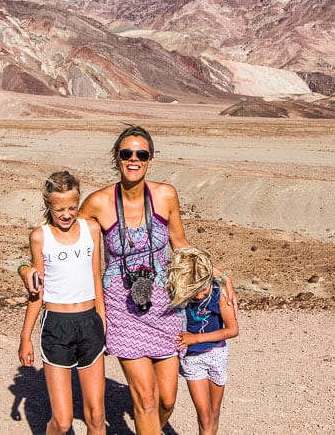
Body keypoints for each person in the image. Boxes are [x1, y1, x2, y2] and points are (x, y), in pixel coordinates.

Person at [19, 125, 236, 434]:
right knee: (146, 399)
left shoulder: (165, 196)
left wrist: (219, 275)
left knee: (166, 400)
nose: (134, 159)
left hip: (165, 308)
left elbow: (181, 244)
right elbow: (62, 232)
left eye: (141, 154)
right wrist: (24, 268)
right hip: (122, 309)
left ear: (150, 159)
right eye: (127, 153)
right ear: (117, 158)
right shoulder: (98, 202)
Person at [17, 171, 106, 435]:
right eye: (59, 210)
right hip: (56, 326)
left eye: (72, 207)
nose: (66, 214)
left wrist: (102, 320)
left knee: (97, 416)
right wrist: (25, 336)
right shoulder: (39, 237)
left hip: (89, 323)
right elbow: (37, 291)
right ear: (48, 206)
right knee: (63, 421)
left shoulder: (91, 230)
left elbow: (96, 276)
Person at [168, 246, 239, 435]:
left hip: (217, 354)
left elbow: (232, 330)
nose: (199, 296)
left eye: (203, 291)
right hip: (192, 358)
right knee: (205, 416)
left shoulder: (219, 292)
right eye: (195, 292)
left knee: (214, 413)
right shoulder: (180, 290)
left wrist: (195, 338)